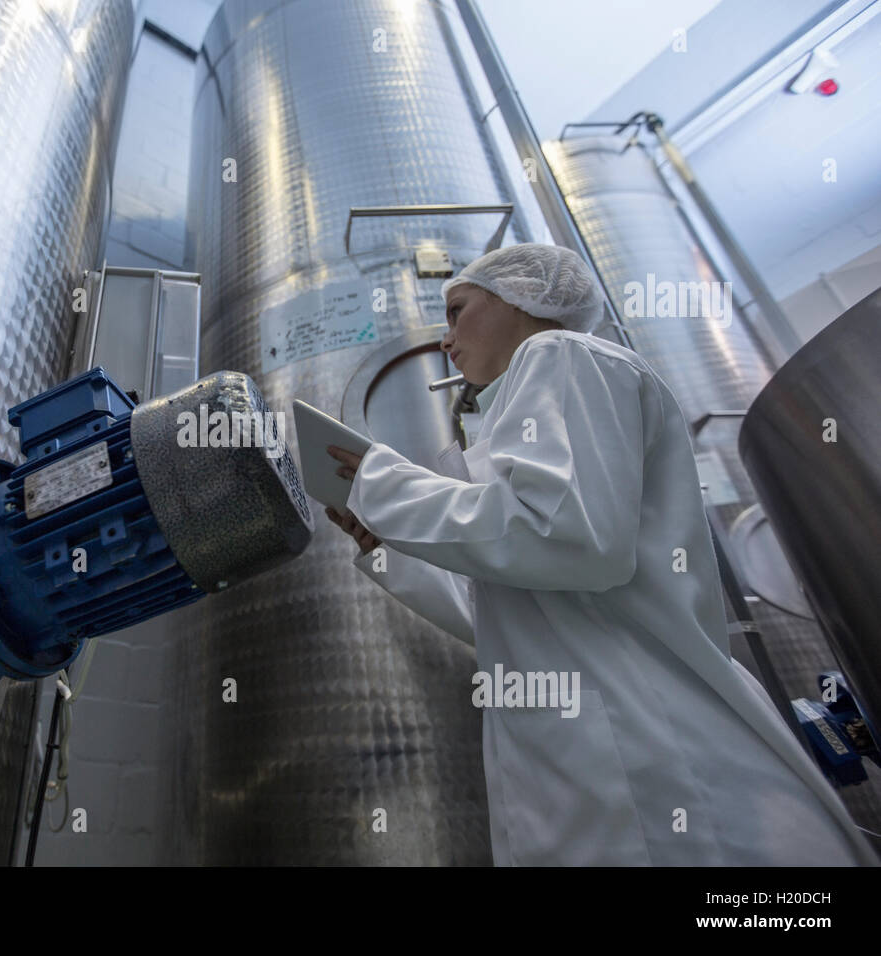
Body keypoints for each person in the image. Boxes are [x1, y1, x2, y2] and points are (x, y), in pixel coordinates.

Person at [324, 243, 878, 866]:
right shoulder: (523, 410)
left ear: (522, 297)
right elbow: (508, 611)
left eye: (457, 311)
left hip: (655, 759)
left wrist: (388, 484)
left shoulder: (562, 354)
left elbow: (568, 538)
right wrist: (391, 550)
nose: (446, 340)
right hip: (592, 761)